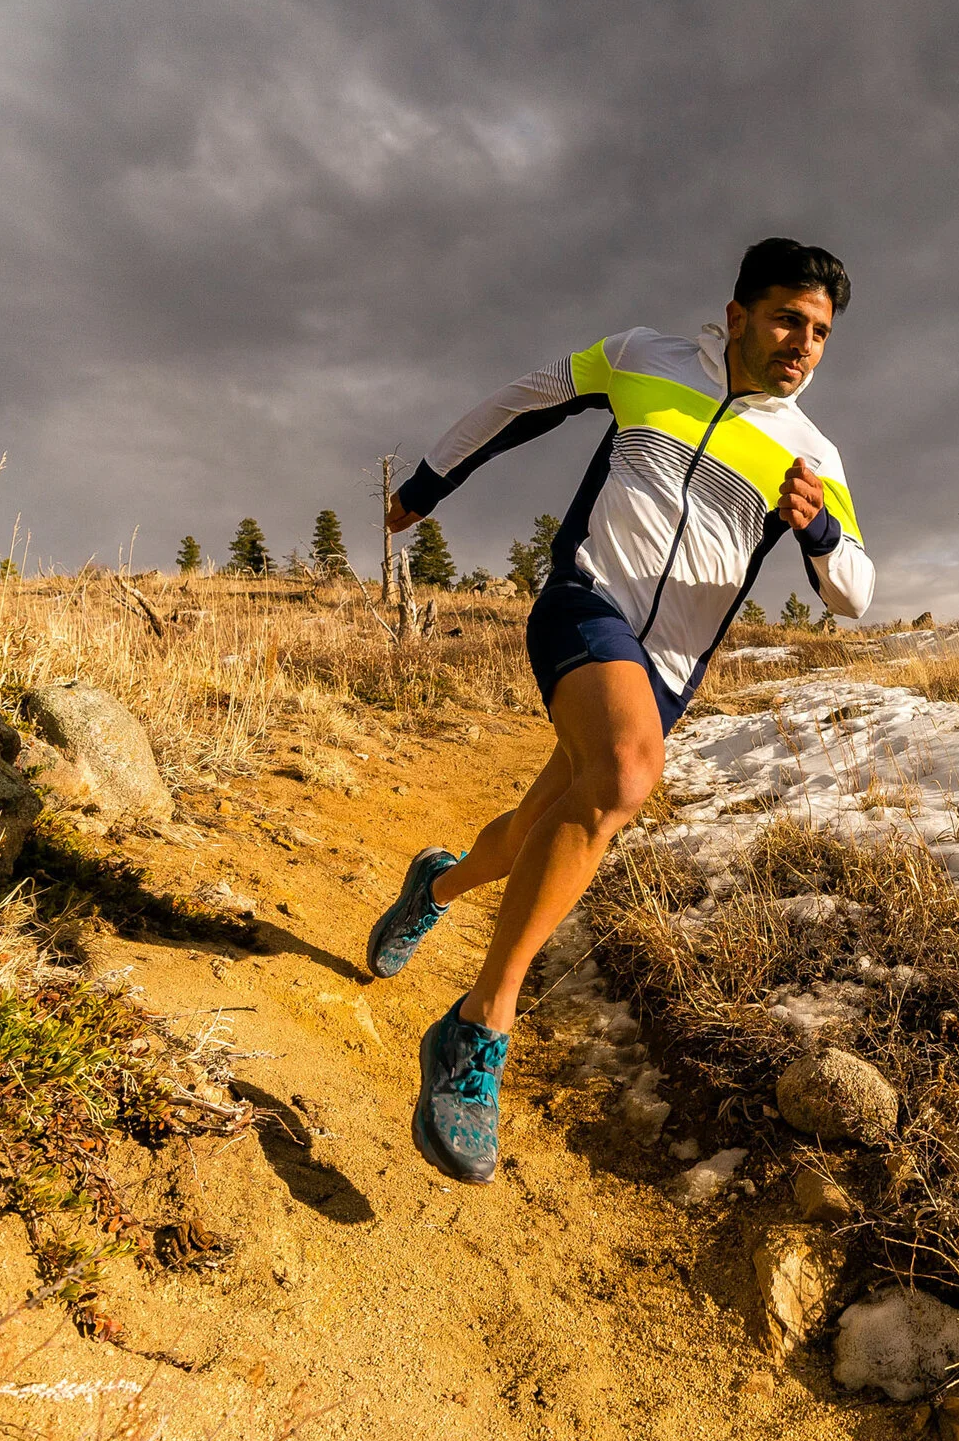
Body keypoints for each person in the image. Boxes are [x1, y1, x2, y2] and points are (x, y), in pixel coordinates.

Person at [367, 238, 873, 1183]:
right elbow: (527, 396)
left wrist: (823, 531)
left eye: (819, 333)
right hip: (584, 601)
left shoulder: (814, 454)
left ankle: (433, 887)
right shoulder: (646, 358)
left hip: (668, 670)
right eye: (784, 320)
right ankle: (478, 1027)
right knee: (631, 774)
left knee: (533, 832)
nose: (801, 345)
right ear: (734, 316)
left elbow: (856, 593)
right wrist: (430, 483)